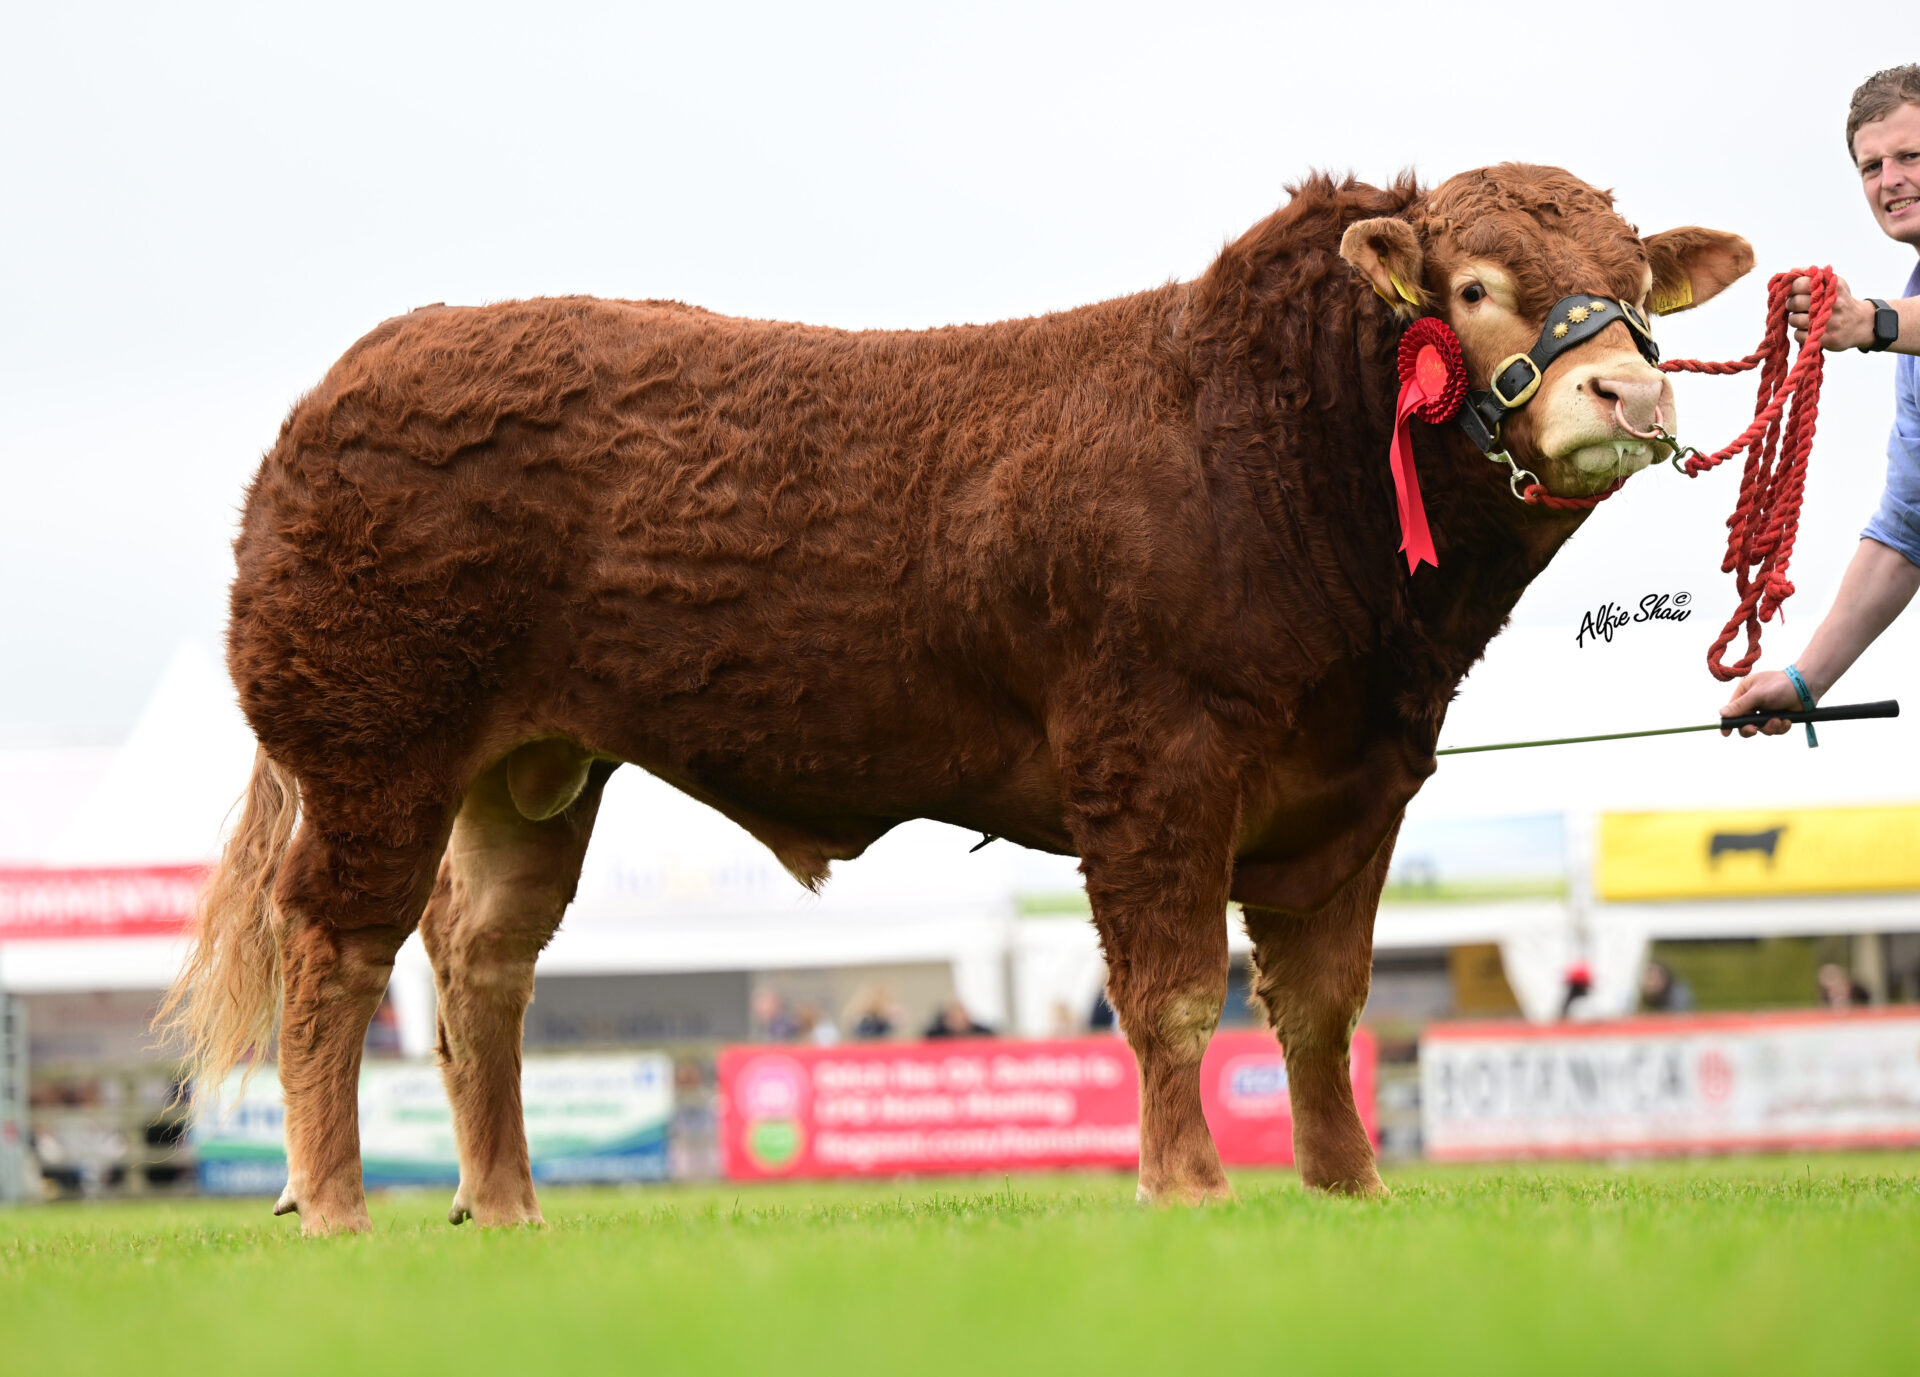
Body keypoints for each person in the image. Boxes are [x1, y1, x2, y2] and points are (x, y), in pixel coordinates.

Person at [1722, 67, 1920, 734]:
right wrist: (1808, 678)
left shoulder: (1896, 323)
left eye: (1911, 156)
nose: (1890, 179)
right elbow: (1905, 531)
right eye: (1872, 166)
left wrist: (1872, 323)